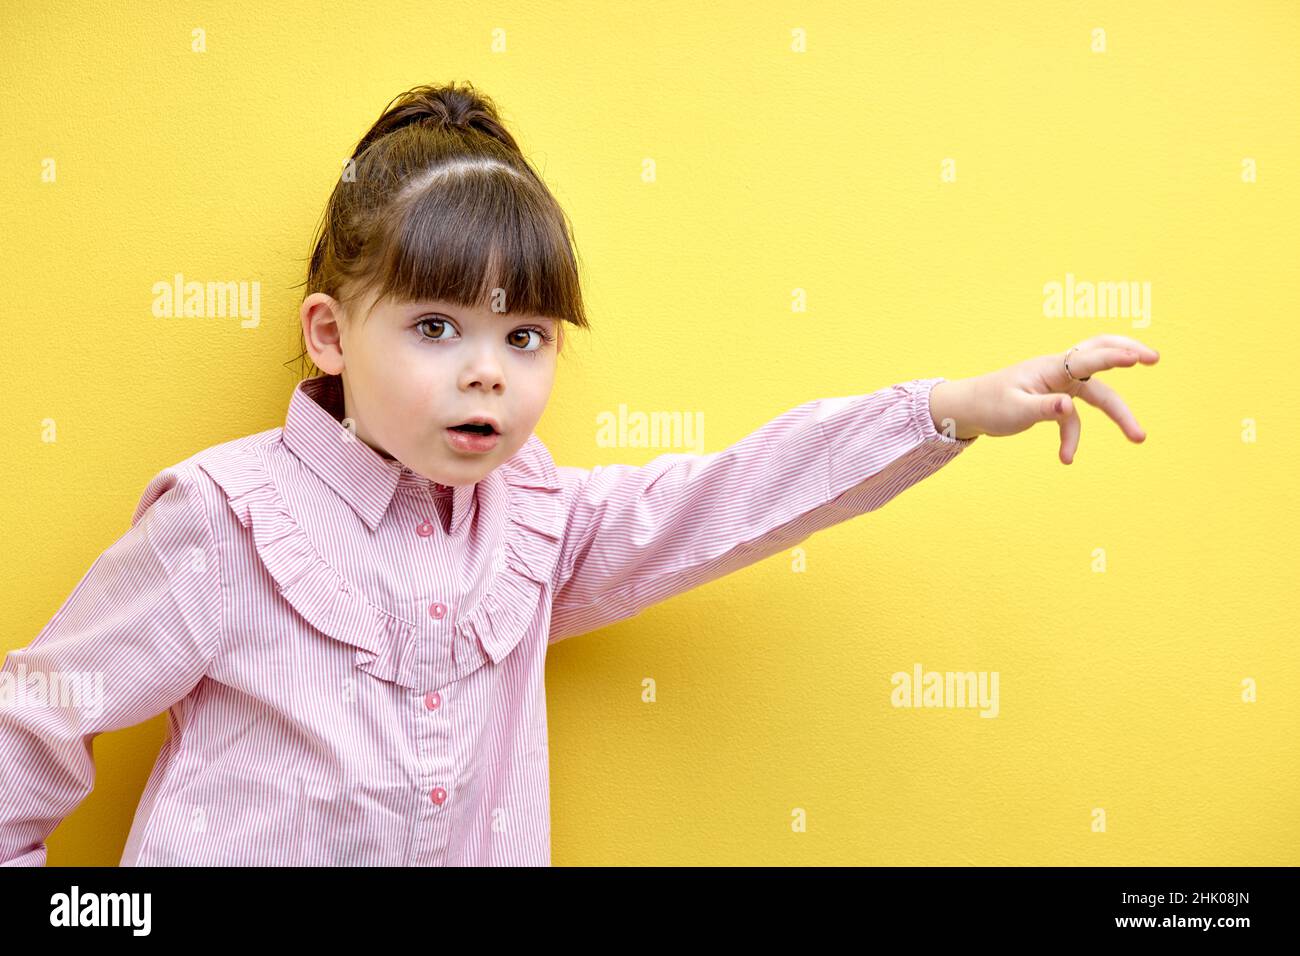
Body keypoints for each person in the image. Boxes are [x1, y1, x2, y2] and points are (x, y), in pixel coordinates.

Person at [0, 81, 1158, 867]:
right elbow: (33, 724)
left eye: (528, 336)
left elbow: (730, 497)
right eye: (436, 327)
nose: (489, 375)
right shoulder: (224, 519)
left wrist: (946, 410)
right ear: (327, 332)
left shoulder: (537, 526)